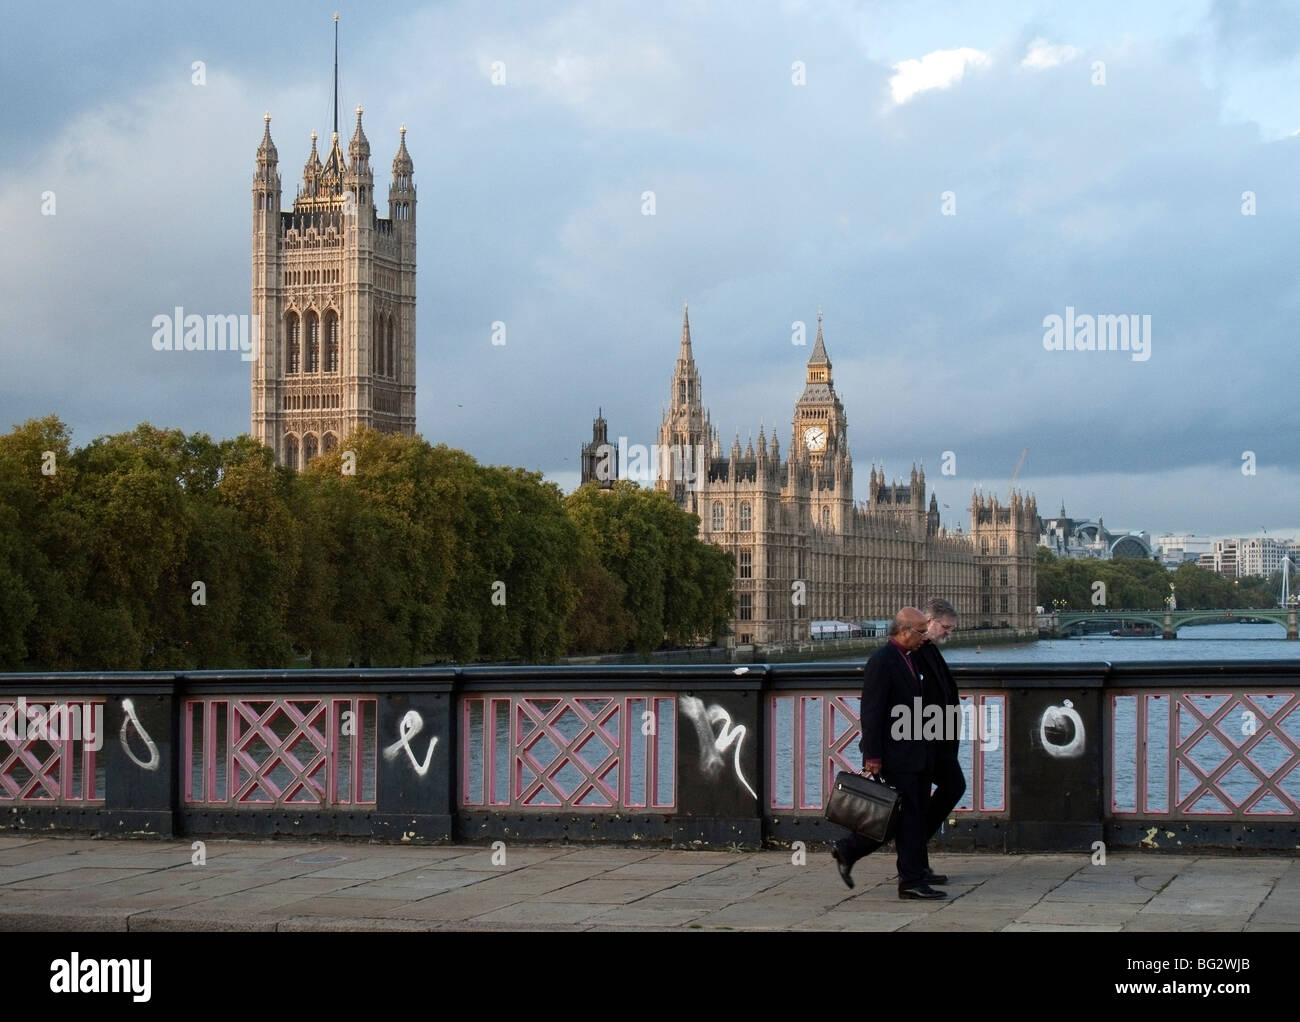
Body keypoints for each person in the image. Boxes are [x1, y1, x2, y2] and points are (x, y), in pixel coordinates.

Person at [830, 607, 946, 899]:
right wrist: (873, 757)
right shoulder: (882, 661)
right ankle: (910, 881)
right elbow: (872, 712)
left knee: (910, 816)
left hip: (916, 750)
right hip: (896, 753)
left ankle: (850, 850)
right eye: (920, 632)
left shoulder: (908, 658)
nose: (924, 637)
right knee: (907, 818)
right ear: (904, 630)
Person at [915, 598, 964, 873]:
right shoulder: (917, 650)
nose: (950, 632)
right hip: (922, 740)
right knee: (953, 787)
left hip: (937, 740)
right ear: (930, 621)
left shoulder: (930, 648)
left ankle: (915, 860)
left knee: (923, 801)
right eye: (947, 627)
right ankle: (913, 854)